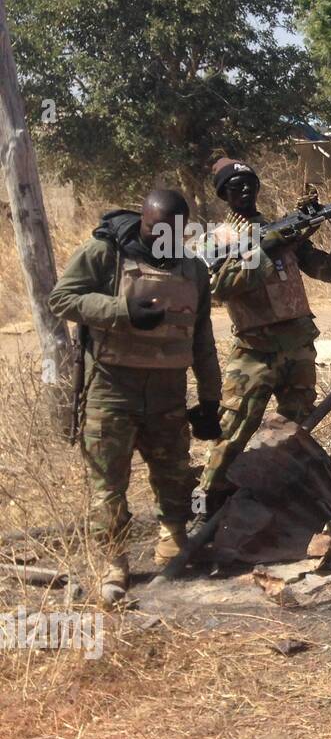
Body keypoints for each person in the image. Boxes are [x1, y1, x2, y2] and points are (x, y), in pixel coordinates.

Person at [49, 189, 222, 604]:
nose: (162, 238)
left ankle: (173, 539)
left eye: (173, 232)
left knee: (173, 473)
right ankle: (113, 561)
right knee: (108, 483)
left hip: (167, 390)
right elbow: (62, 299)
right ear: (142, 221)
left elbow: (202, 338)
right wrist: (122, 310)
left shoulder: (193, 269)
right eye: (154, 230)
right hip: (111, 386)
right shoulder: (105, 253)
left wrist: (210, 399)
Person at [197, 158, 331, 515]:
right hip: (254, 351)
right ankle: (208, 508)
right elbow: (216, 287)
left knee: (295, 429)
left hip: (298, 346)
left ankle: (280, 498)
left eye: (249, 183)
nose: (244, 190)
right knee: (234, 430)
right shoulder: (217, 239)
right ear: (222, 194)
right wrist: (265, 251)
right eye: (234, 186)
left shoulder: (282, 230)